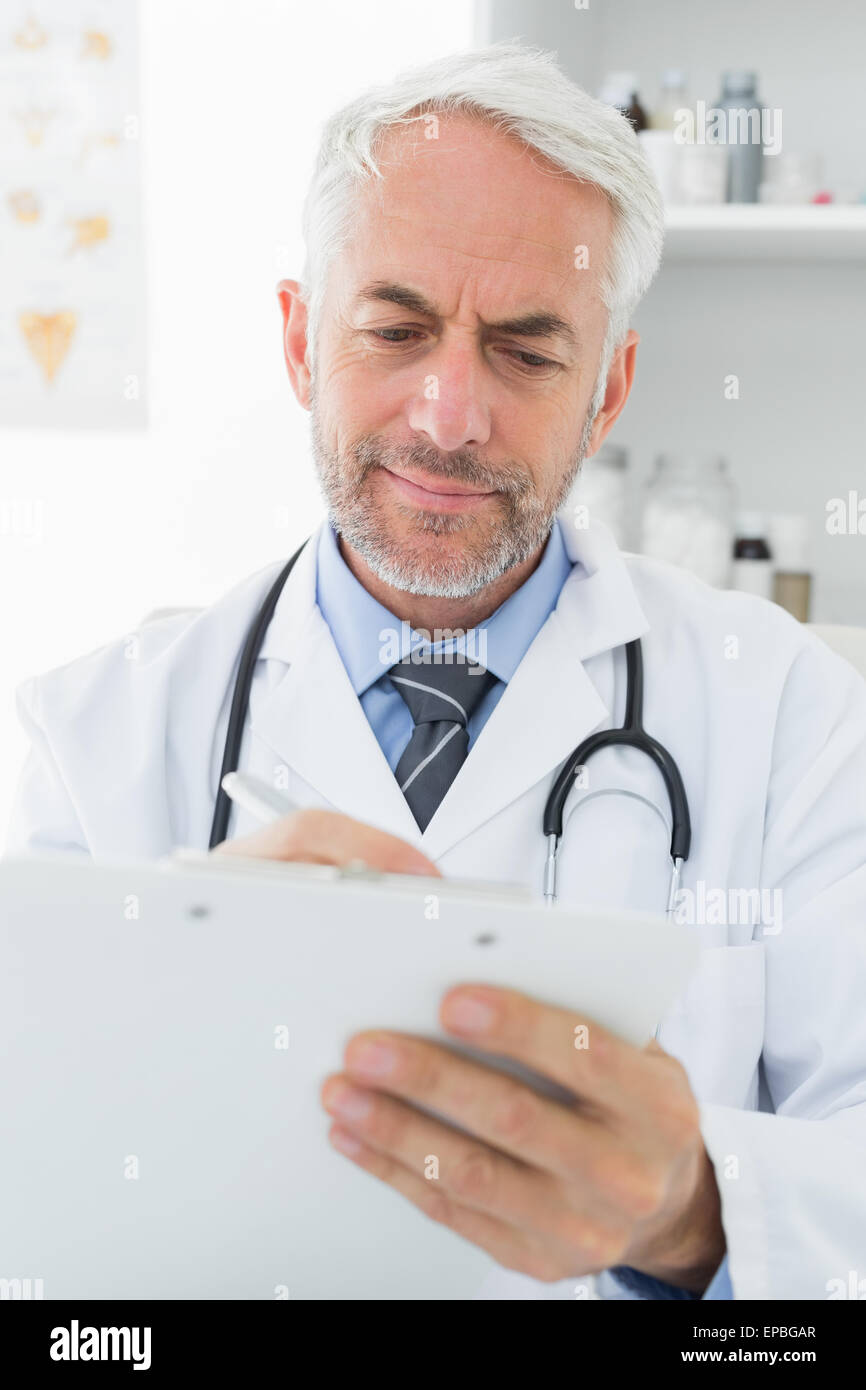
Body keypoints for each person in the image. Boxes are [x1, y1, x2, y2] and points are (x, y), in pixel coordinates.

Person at [7, 44, 866, 1301]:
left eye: (525, 352)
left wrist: (694, 1210)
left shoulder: (786, 713)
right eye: (396, 329)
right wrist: (159, 1021)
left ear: (608, 391)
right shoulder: (99, 735)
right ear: (302, 341)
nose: (448, 414)